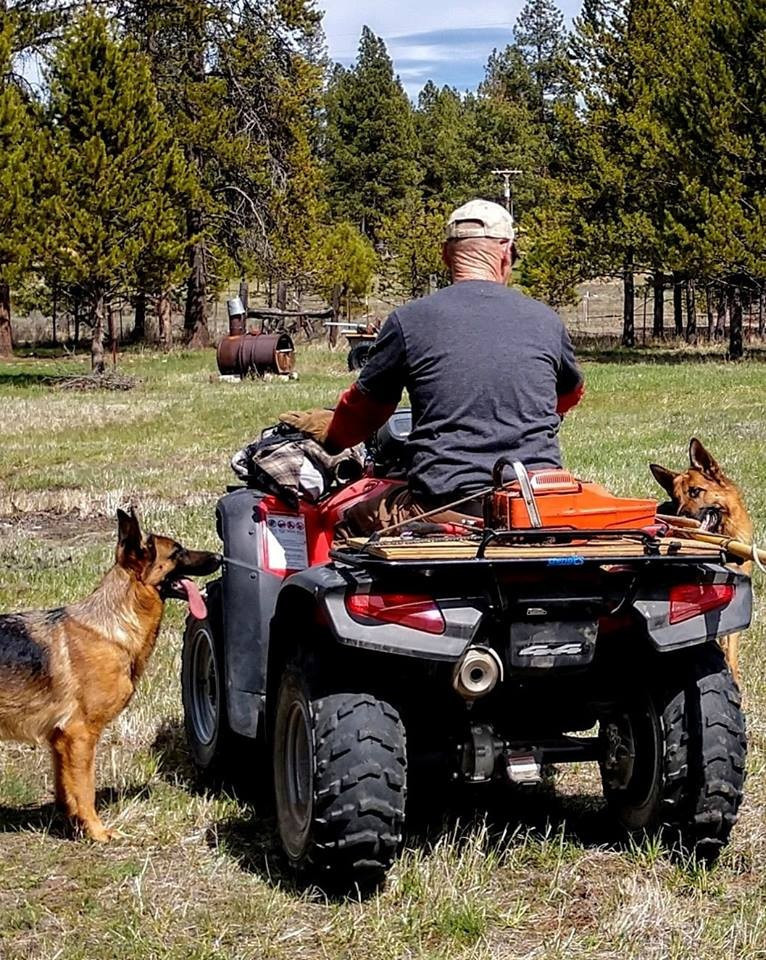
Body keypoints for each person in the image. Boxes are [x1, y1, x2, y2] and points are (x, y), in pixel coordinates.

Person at [280, 199, 584, 535]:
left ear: (445, 255)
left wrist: (333, 436)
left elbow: (363, 414)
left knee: (340, 521)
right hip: (538, 502)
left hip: (442, 505)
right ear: (506, 253)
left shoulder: (409, 321)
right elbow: (569, 395)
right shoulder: (546, 321)